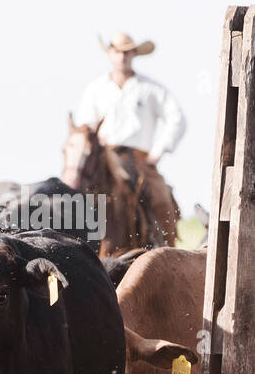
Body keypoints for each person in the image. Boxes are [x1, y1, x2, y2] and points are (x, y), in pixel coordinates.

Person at [73, 32, 184, 244]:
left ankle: (166, 249)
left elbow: (176, 118)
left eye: (127, 52)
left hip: (140, 160)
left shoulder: (150, 88)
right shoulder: (97, 88)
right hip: (105, 158)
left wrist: (158, 152)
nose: (122, 57)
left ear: (134, 54)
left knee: (161, 198)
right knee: (77, 198)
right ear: (110, 54)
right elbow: (84, 126)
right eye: (117, 52)